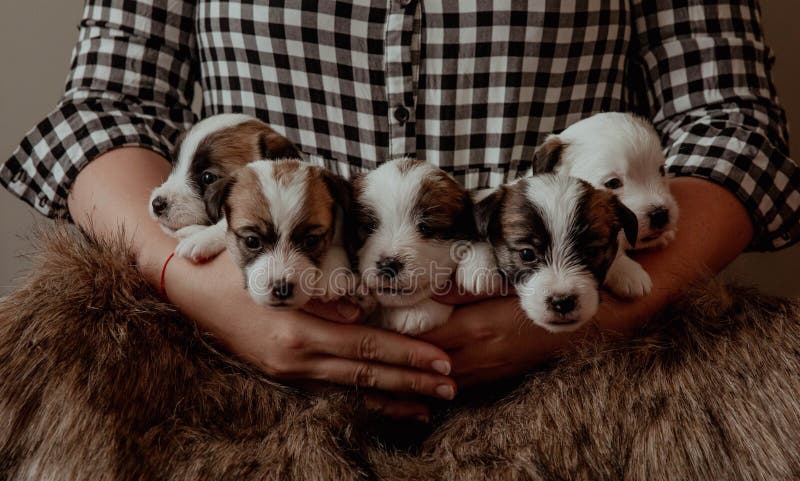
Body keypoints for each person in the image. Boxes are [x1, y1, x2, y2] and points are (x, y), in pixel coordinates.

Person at [2, 1, 798, 420]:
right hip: (227, 360)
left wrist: (596, 311)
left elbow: (733, 127)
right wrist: (199, 284)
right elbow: (106, 109)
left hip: (599, 370)